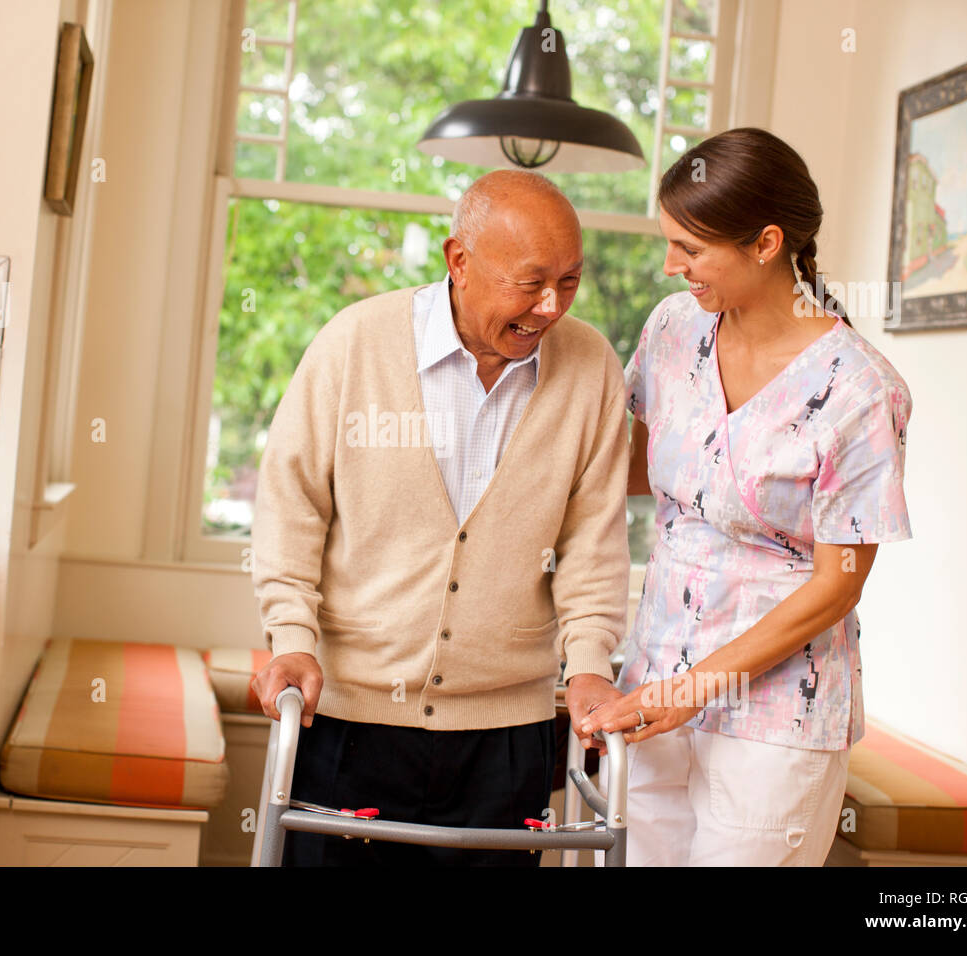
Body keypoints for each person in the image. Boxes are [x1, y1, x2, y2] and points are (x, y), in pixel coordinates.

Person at [249, 169, 631, 866]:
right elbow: (290, 505)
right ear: (459, 261)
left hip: (506, 735)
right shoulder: (355, 345)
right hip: (348, 718)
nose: (550, 306)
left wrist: (589, 663)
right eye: (531, 281)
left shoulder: (591, 368)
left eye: (570, 282)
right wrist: (290, 634)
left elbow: (593, 540)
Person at [580, 127, 913, 866]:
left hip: (774, 718)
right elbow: (642, 468)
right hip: (654, 683)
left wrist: (697, 689)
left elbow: (838, 585)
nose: (672, 267)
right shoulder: (673, 330)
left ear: (766, 244)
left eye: (691, 250)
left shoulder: (859, 391)